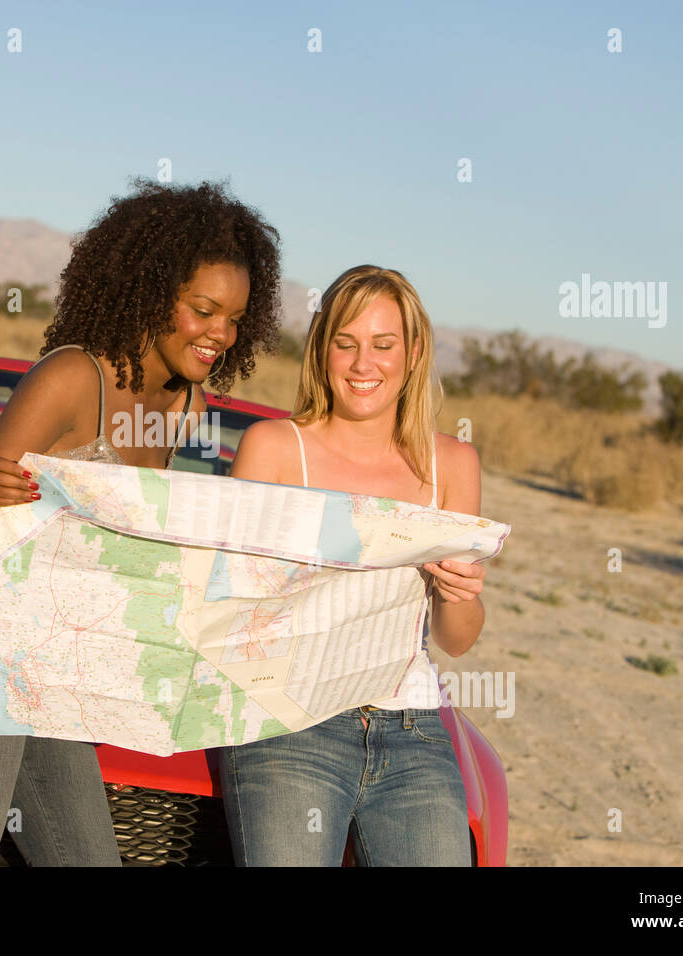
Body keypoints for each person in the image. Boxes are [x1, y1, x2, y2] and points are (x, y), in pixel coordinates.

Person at [0, 178, 282, 866]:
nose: (221, 333)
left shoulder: (186, 403)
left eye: (235, 318)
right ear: (151, 289)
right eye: (204, 309)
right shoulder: (71, 378)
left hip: (49, 658)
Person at [219, 264, 486, 866]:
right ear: (322, 351)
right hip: (289, 723)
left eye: (383, 345)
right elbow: (228, 607)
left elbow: (457, 642)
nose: (364, 364)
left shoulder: (454, 465)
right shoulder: (274, 448)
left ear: (413, 353)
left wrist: (459, 593)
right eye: (346, 343)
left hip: (412, 729)